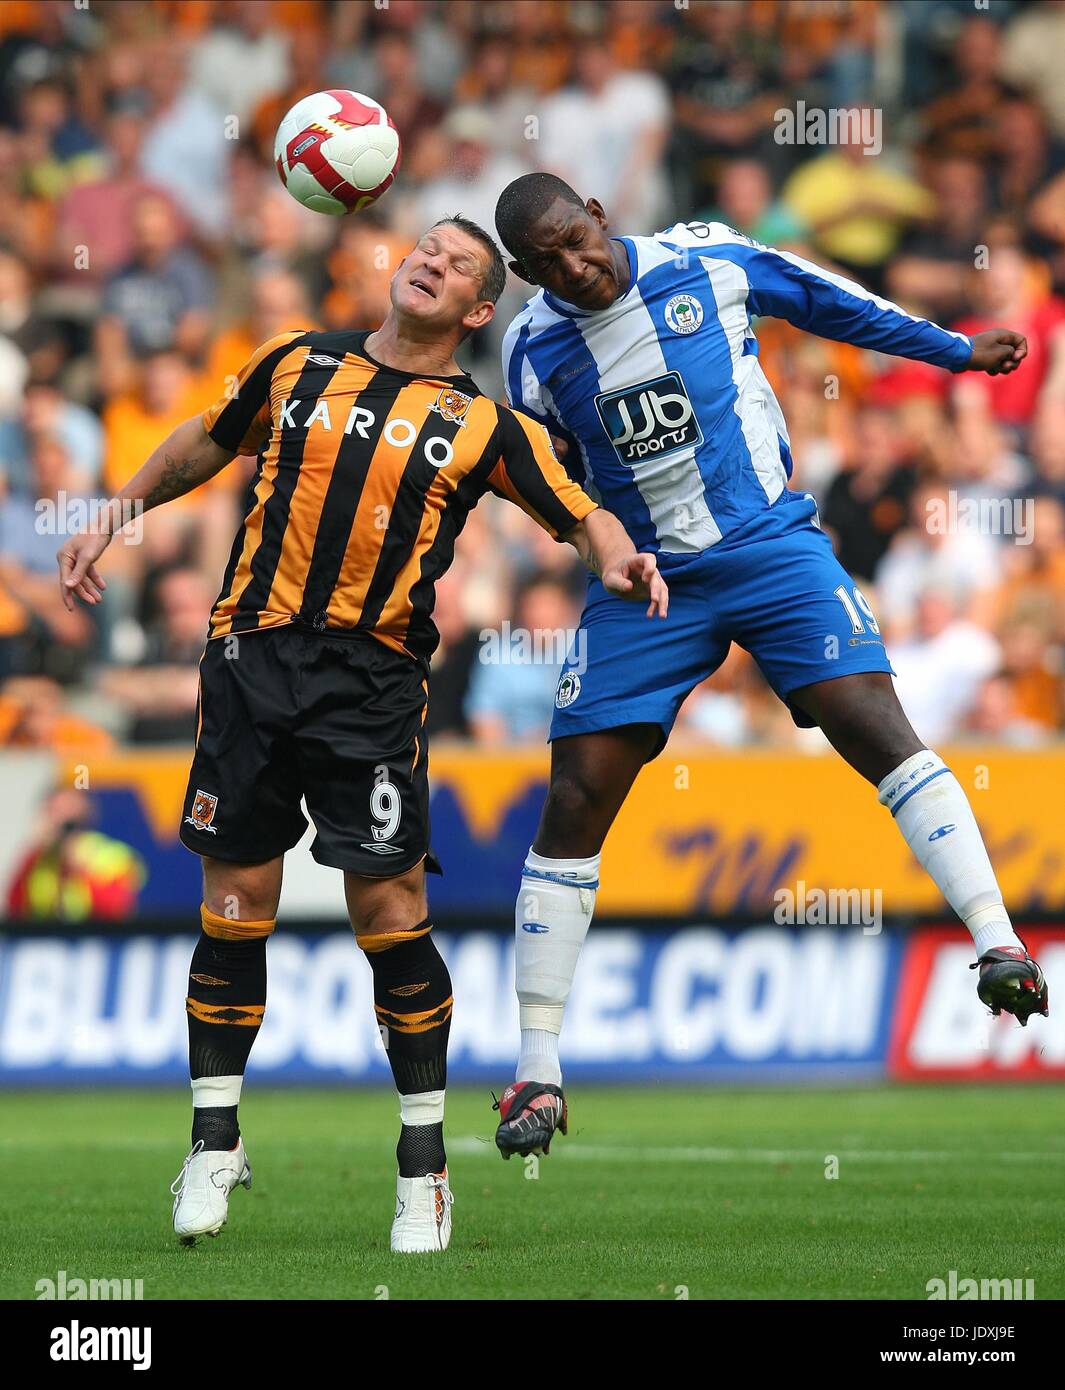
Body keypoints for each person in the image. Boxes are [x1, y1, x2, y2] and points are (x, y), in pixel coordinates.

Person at [58, 214, 667, 1253]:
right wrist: (117, 508)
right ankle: (213, 1141)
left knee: (389, 910)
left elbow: (577, 510)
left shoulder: (485, 426)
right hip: (251, 659)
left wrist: (620, 558)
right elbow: (210, 433)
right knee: (235, 903)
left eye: (460, 265)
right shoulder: (298, 363)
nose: (431, 263)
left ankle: (424, 1169)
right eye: (425, 249)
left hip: (374, 683)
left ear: (480, 309)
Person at [490, 171, 1049, 1161]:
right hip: (649, 579)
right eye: (546, 264)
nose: (574, 268)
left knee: (876, 726)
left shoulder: (707, 258)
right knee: (575, 792)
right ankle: (538, 1069)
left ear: (597, 213)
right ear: (525, 274)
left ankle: (998, 939)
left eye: (577, 240)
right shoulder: (532, 352)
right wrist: (600, 547)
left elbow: (832, 299)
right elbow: (552, 480)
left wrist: (955, 352)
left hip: (767, 545)